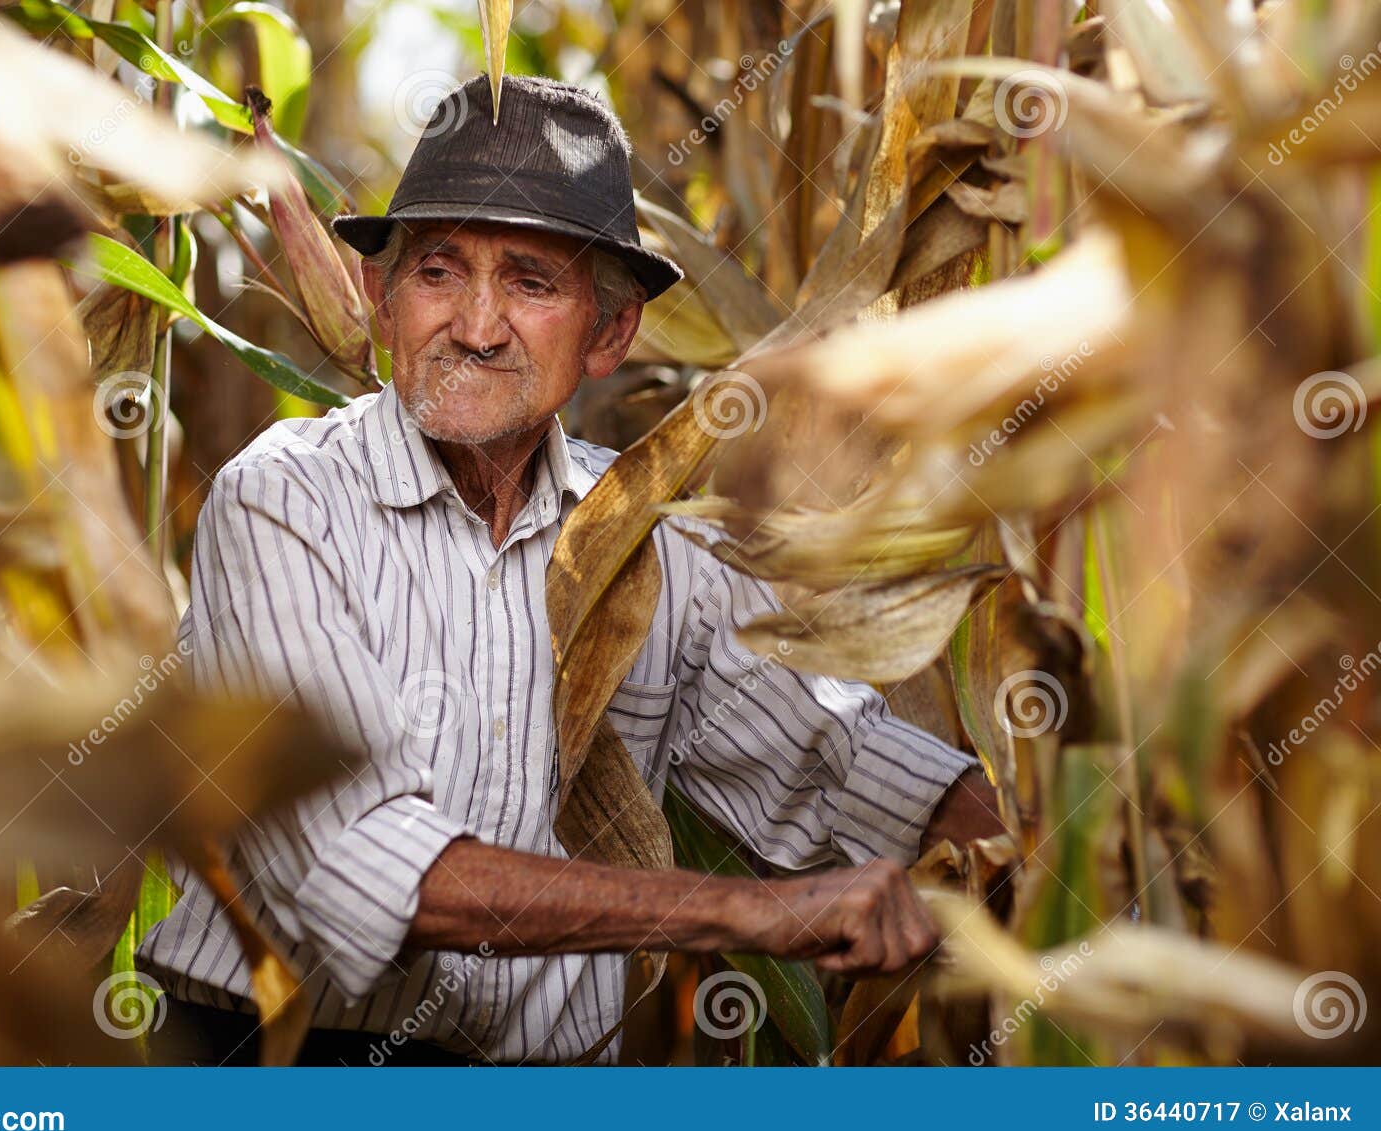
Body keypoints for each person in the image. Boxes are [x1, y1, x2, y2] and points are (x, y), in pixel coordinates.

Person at [138, 73, 1003, 1066]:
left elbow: (836, 761)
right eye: (437, 271)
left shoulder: (652, 537)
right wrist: (750, 912)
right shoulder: (283, 501)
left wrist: (1073, 841)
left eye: (530, 281)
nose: (473, 323)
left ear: (609, 331)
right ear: (380, 295)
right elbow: (362, 861)